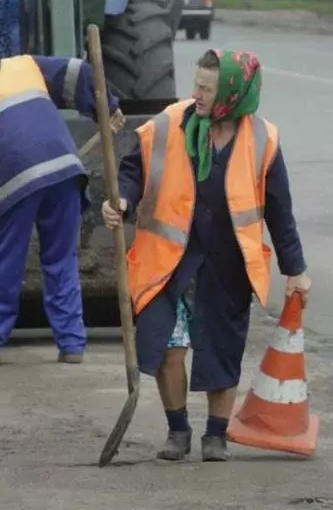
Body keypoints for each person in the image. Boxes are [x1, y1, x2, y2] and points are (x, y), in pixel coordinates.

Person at [102, 49, 311, 463]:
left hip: (227, 264)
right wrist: (121, 201)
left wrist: (296, 269)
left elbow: (279, 210)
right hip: (168, 261)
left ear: (232, 94)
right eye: (195, 84)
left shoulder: (263, 139)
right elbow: (131, 170)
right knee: (168, 347)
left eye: (207, 88)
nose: (196, 94)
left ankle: (216, 435)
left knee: (221, 347)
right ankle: (177, 429)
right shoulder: (167, 125)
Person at [0, 43, 123, 367]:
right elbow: (79, 73)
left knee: (3, 262)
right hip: (65, 168)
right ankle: (72, 344)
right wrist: (107, 107)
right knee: (61, 260)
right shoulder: (22, 64)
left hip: (10, 179)